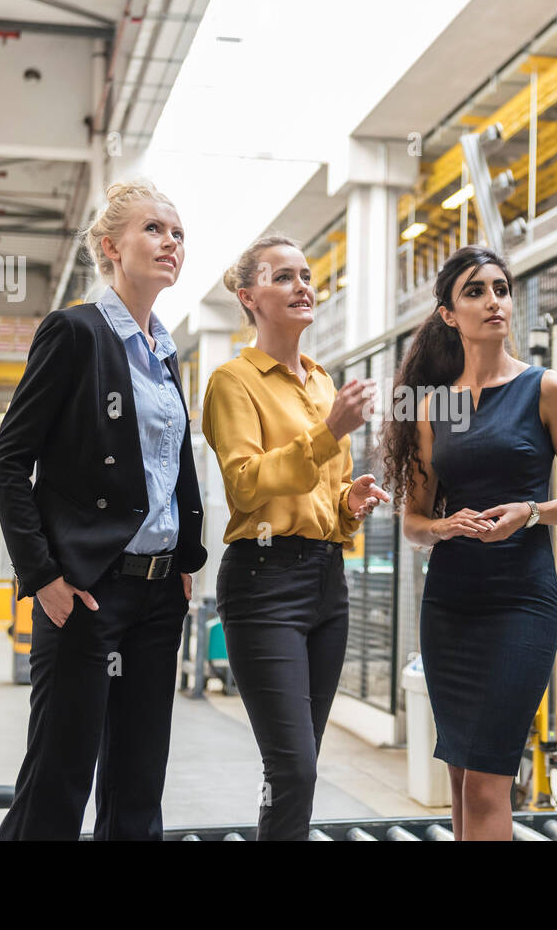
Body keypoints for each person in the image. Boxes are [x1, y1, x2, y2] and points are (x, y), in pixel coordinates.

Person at [0, 180, 207, 840]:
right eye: (154, 229)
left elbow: (170, 469)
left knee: (139, 785)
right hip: (87, 590)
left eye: (177, 232)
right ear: (111, 247)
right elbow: (9, 460)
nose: (171, 241)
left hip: (159, 594)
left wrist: (183, 554)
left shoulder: (166, 353)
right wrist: (44, 576)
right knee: (59, 780)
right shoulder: (75, 333)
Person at [381, 244, 557, 841]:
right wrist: (446, 527)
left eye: (500, 289)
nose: (493, 301)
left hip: (521, 599)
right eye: (474, 292)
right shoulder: (435, 407)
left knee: (485, 782)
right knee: (458, 778)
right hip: (450, 605)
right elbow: (414, 521)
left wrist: (529, 512)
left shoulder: (545, 390)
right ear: (449, 314)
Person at [201, 235, 389, 841]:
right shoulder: (233, 381)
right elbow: (247, 484)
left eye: (306, 276)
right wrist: (330, 432)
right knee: (295, 765)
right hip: (265, 582)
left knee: (298, 762)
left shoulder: (321, 380)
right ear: (248, 295)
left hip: (326, 582)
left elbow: (319, 498)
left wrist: (349, 505)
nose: (302, 286)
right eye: (283, 277)